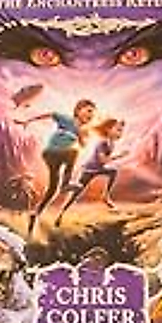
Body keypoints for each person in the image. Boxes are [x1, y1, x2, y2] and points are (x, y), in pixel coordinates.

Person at [18, 98, 96, 230]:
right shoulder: (66, 119)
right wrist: (28, 121)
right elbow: (49, 114)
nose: (90, 116)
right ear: (78, 110)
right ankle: (66, 184)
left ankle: (35, 214)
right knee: (73, 152)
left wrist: (82, 136)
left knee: (53, 189)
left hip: (61, 156)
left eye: (92, 115)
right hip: (51, 153)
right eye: (88, 111)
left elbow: (83, 145)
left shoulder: (83, 130)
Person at [54, 117, 126, 224]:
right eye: (118, 130)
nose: (120, 134)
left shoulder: (111, 143)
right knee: (76, 193)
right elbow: (103, 160)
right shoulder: (102, 143)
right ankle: (61, 213)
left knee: (113, 171)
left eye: (121, 131)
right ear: (108, 130)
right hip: (89, 170)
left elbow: (103, 162)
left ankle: (105, 196)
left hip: (99, 168)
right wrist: (120, 155)